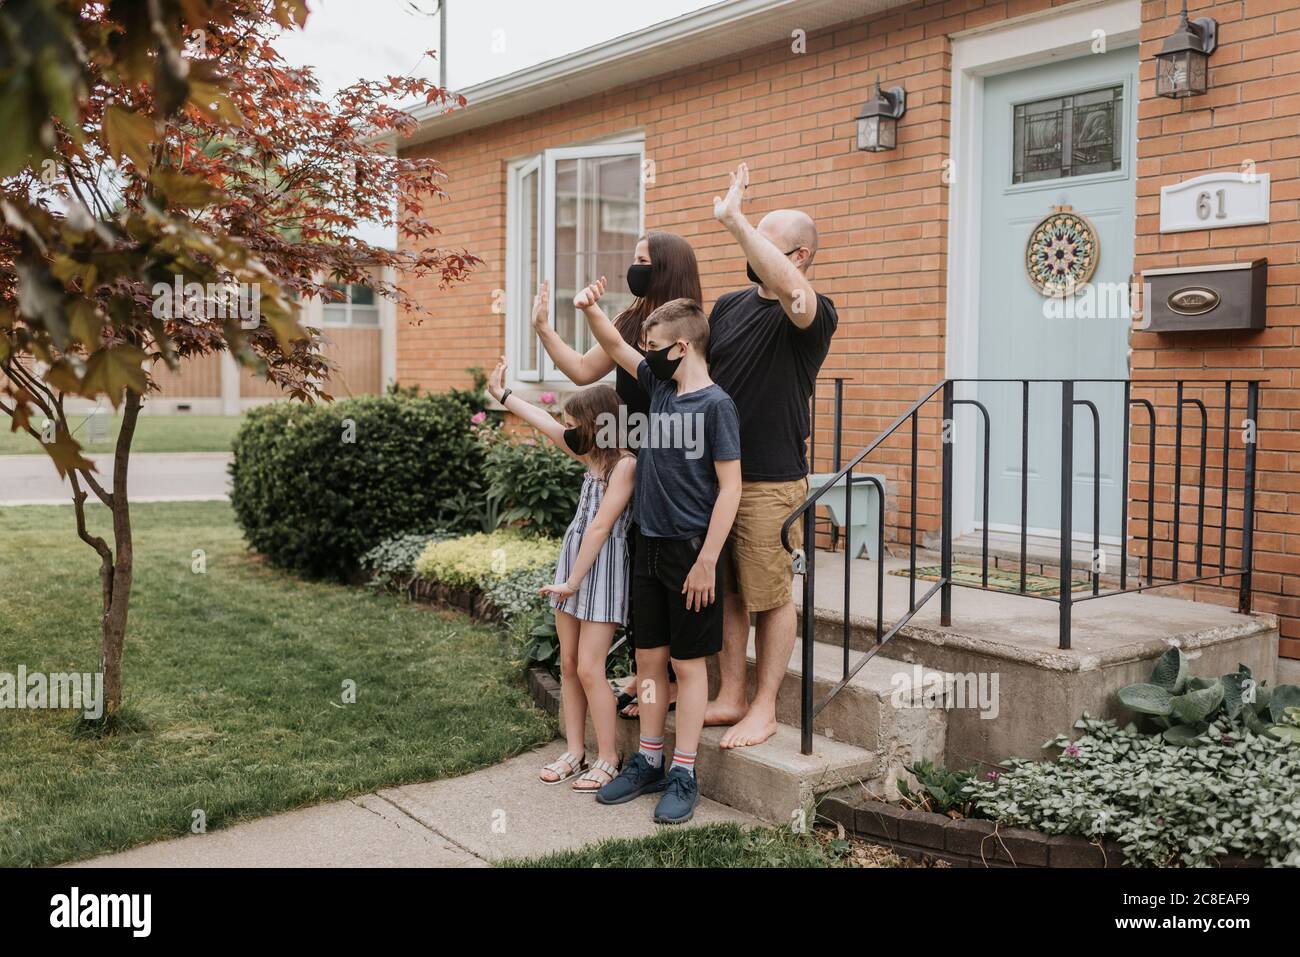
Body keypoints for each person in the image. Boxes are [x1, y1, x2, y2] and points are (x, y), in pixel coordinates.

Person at [579, 286, 741, 824]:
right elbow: (617, 347)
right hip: (646, 544)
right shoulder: (659, 386)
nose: (644, 351)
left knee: (687, 665)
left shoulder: (718, 406)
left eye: (654, 343)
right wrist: (589, 310)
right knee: (648, 658)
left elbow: (731, 489)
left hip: (692, 552)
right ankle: (648, 759)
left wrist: (706, 561)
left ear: (683, 348)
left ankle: (683, 771)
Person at [531, 232, 702, 719]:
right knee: (634, 568)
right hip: (631, 459)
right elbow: (584, 370)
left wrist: (592, 312)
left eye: (642, 261)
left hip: (670, 464)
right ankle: (648, 676)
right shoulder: (629, 319)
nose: (633, 268)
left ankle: (666, 681)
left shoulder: (684, 327)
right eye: (633, 259)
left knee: (664, 571)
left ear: (666, 267)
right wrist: (544, 328)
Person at [703, 162, 839, 750]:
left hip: (770, 479)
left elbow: (794, 297)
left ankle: (765, 707)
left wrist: (733, 219)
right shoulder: (729, 306)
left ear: (799, 256)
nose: (749, 245)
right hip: (717, 476)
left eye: (764, 239)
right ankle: (731, 693)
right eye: (748, 233)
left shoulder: (812, 312)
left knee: (771, 594)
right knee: (730, 591)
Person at [486, 358, 635, 793]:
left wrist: (573, 580)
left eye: (574, 423)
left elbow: (603, 526)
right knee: (568, 665)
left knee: (591, 668)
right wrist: (504, 395)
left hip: (601, 569)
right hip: (573, 561)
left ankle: (609, 756)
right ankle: (575, 750)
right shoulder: (587, 452)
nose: (567, 430)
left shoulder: (624, 465)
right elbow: (544, 423)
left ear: (596, 423)